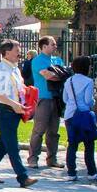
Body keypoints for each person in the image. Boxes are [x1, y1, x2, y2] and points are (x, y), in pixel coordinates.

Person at [0, 39, 38, 188]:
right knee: (12, 145)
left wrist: (26, 94)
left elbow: (17, 89)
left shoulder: (15, 69)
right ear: (7, 52)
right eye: (17, 50)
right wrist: (15, 105)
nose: (20, 52)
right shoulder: (2, 70)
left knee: (2, 145)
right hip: (6, 111)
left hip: (14, 111)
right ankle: (22, 177)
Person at [61, 55, 97, 183]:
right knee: (89, 145)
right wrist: (91, 103)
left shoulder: (68, 81)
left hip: (70, 115)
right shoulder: (88, 81)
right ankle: (91, 172)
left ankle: (71, 173)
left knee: (72, 145)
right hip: (84, 115)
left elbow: (64, 99)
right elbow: (88, 101)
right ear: (87, 67)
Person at [25, 35, 65, 169]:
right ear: (44, 46)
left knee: (54, 130)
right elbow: (48, 76)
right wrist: (59, 75)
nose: (55, 46)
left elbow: (65, 74)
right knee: (39, 129)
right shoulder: (37, 61)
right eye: (52, 44)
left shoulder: (57, 59)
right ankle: (32, 158)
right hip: (43, 97)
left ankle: (52, 159)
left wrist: (57, 75)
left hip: (56, 98)